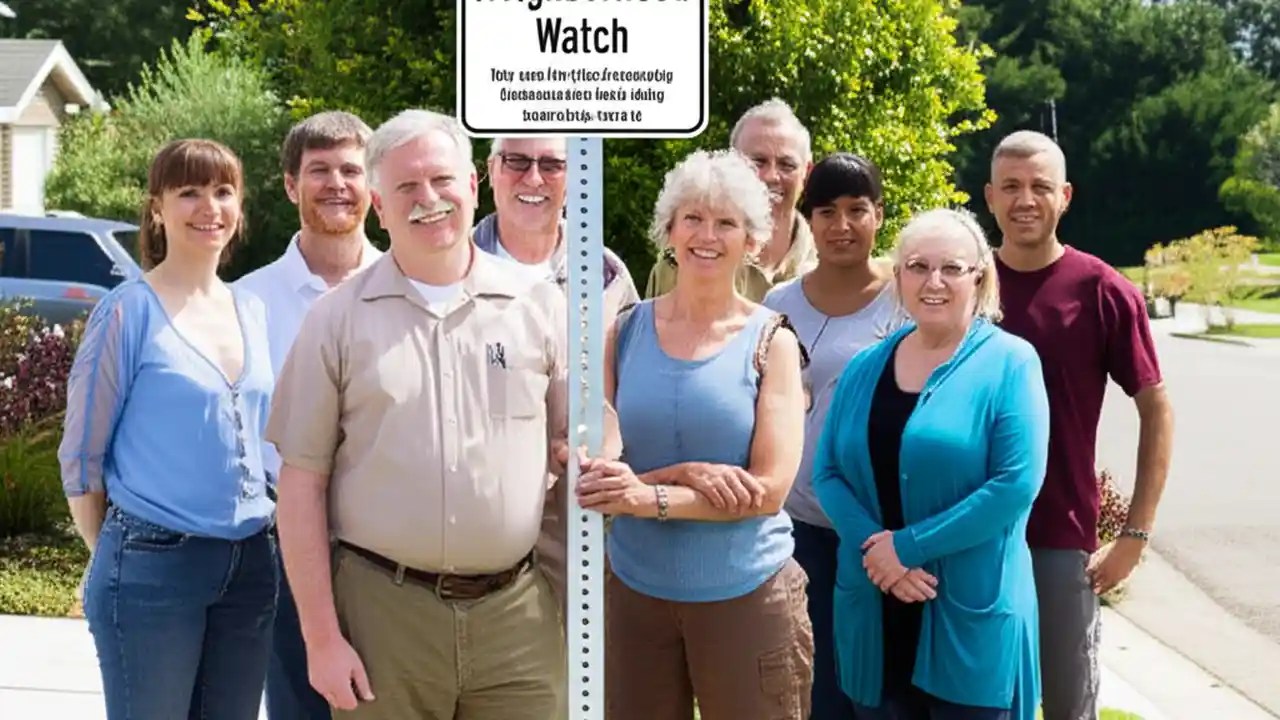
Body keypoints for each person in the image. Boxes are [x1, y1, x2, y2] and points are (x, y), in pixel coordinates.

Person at [264, 108, 590, 720]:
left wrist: (594, 449)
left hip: (518, 618)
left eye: (442, 180)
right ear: (379, 207)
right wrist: (322, 639)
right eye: (406, 186)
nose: (429, 199)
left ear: (472, 185)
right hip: (383, 617)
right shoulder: (335, 320)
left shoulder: (541, 307)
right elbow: (300, 485)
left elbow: (588, 442)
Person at [577, 148, 812, 720]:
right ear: (669, 230)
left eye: (726, 222)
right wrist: (687, 474)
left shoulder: (773, 341)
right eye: (693, 219)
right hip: (634, 596)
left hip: (747, 594)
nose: (707, 236)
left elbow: (768, 491)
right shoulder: (622, 332)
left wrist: (645, 496)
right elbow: (596, 469)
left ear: (751, 240)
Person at [58, 138, 278, 720]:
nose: (209, 207)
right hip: (152, 566)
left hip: (251, 567)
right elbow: (81, 457)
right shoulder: (127, 311)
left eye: (223, 191)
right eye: (189, 192)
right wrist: (121, 554)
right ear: (157, 208)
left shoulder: (250, 309)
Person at [812, 207, 1049, 720]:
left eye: (952, 268)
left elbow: (1015, 484)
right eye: (918, 266)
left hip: (969, 617)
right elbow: (826, 472)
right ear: (898, 276)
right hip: (874, 610)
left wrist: (906, 548)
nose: (933, 282)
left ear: (979, 278)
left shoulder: (1011, 362)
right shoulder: (864, 366)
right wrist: (877, 553)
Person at [985, 130, 1174, 720]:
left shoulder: (1102, 291)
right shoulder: (962, 285)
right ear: (989, 196)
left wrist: (1134, 536)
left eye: (1040, 187)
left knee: (1068, 707)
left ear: (1065, 196)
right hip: (964, 537)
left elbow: (1156, 409)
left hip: (1059, 538)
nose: (1025, 200)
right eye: (1011, 186)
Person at [234, 110, 382, 720]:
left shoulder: (407, 290)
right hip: (285, 548)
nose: (337, 184)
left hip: (393, 551)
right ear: (291, 184)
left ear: (374, 184)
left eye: (351, 170)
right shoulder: (248, 302)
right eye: (319, 170)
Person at [763, 152, 903, 719]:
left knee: (882, 691)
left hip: (885, 528)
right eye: (826, 212)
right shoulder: (778, 304)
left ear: (879, 214)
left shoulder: (908, 297)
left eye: (856, 210)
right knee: (817, 688)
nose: (842, 226)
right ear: (809, 218)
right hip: (801, 526)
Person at [473, 134, 640, 607]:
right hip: (478, 509)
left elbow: (631, 380)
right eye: (517, 162)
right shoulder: (451, 265)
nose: (534, 178)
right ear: (490, 171)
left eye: (551, 165)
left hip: (580, 513)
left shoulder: (604, 271)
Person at [644, 98, 817, 301]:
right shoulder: (680, 265)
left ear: (807, 172)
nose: (772, 176)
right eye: (758, 162)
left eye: (787, 165)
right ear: (731, 163)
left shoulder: (831, 266)